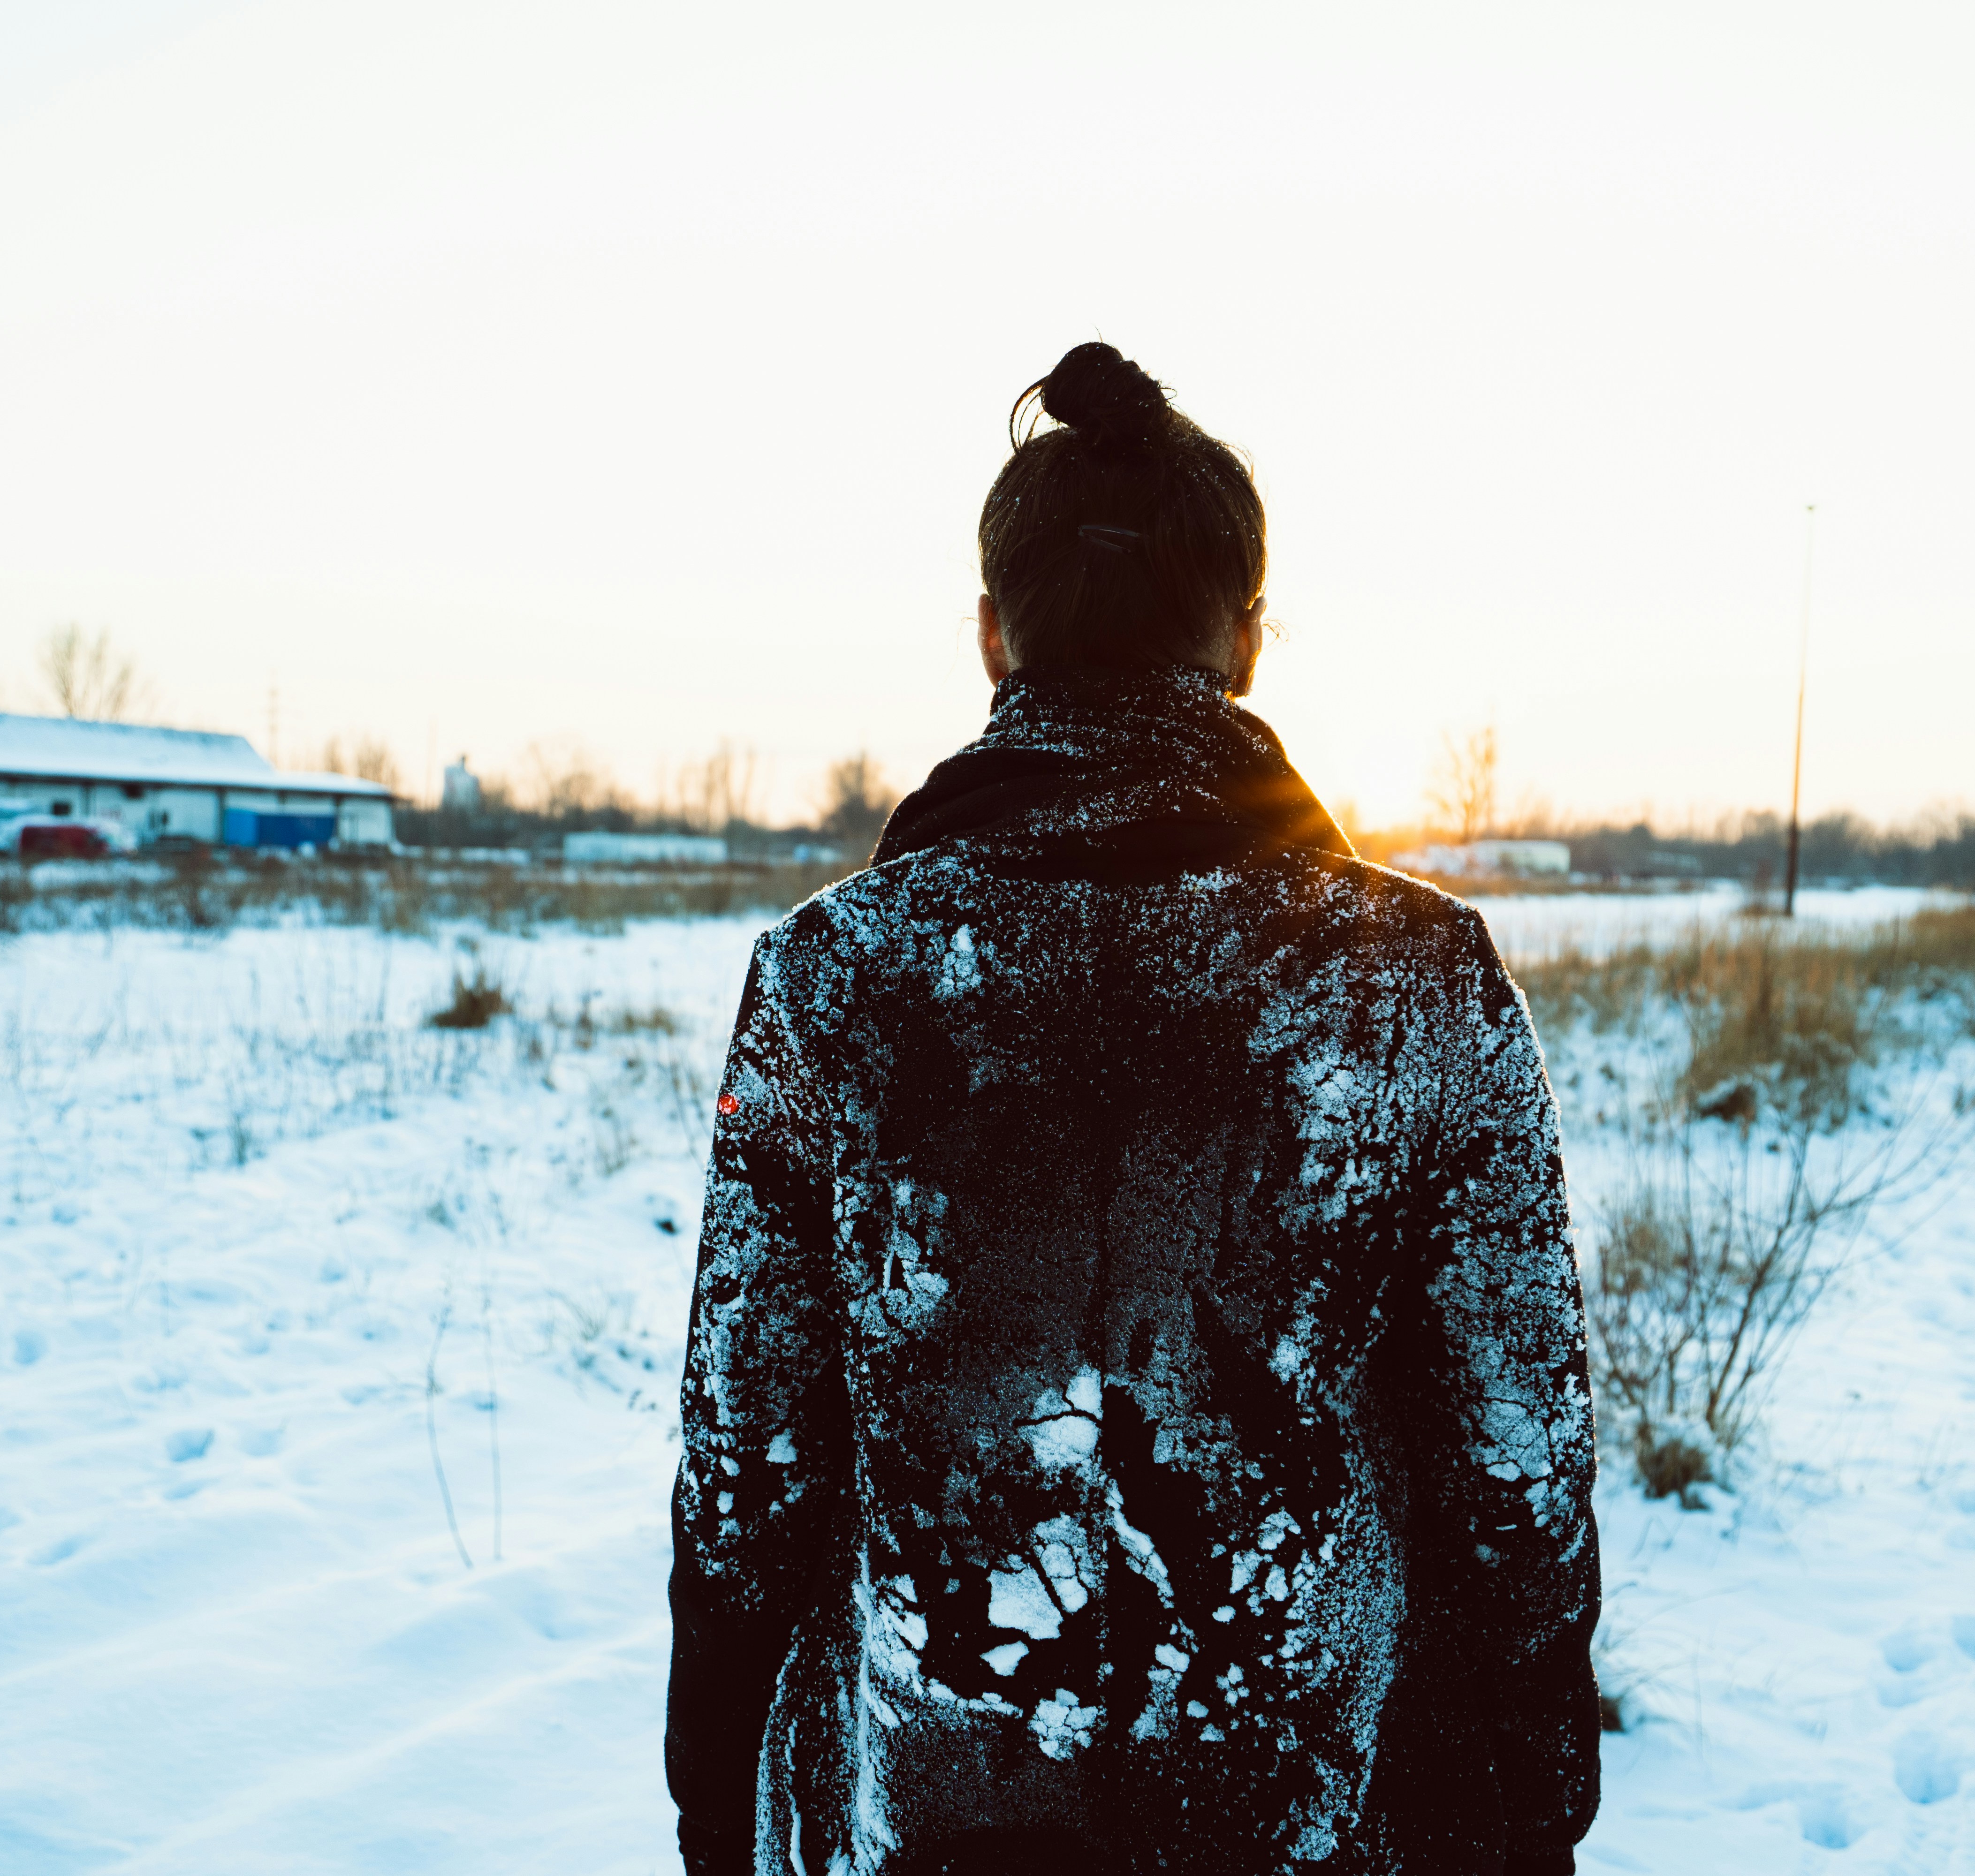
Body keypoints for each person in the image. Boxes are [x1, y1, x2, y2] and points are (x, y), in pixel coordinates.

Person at [668, 344, 1599, 1876]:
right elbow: (1518, 1473)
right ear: (1244, 640)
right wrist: (1534, 1804)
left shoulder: (831, 979)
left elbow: (744, 1474)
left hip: (919, 1830)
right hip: (1313, 1825)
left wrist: (715, 1796)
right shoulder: (1417, 982)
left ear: (991, 635)